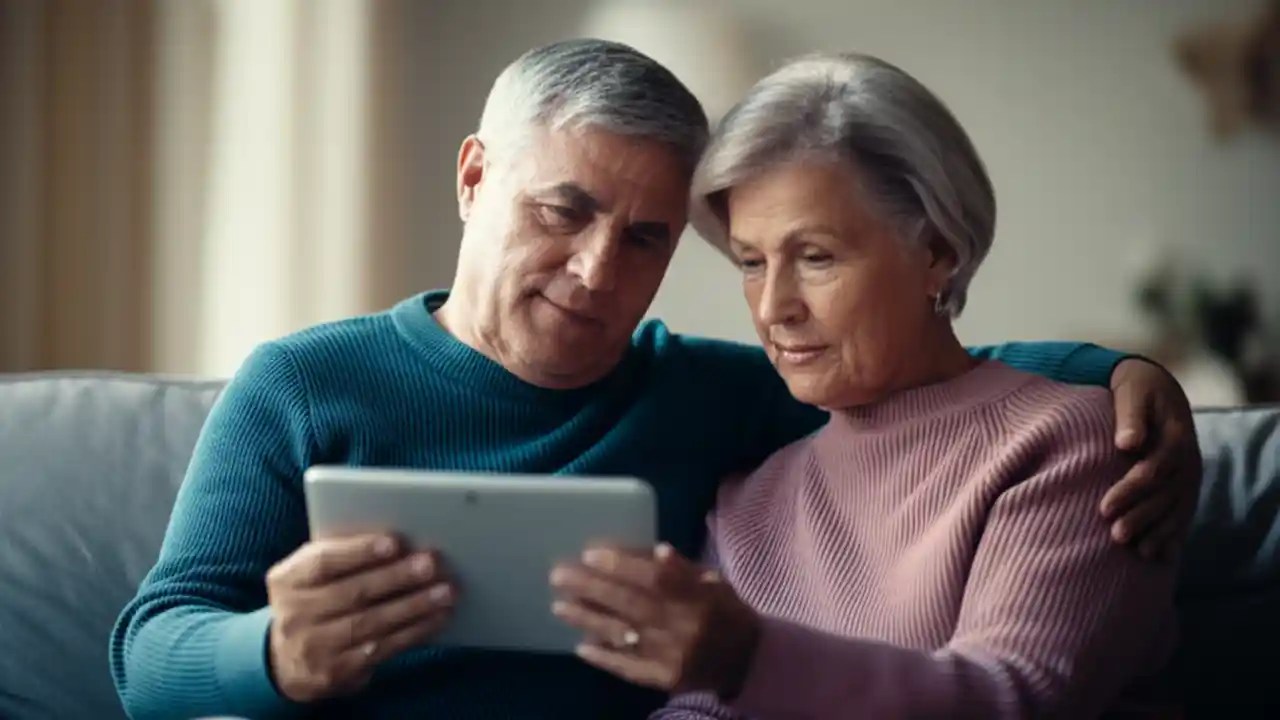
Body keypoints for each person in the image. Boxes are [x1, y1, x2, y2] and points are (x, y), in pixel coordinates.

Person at [110, 40, 1199, 720]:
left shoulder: (717, 397)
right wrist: (269, 652)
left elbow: (928, 382)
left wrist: (1121, 374)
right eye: (562, 211)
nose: (595, 273)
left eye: (645, 238)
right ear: (474, 177)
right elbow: (149, 652)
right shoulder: (300, 385)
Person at [549, 53, 1191, 719]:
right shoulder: (749, 501)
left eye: (816, 257)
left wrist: (749, 659)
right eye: (751, 262)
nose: (773, 307)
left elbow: (1014, 698)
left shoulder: (1068, 447)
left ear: (937, 252)